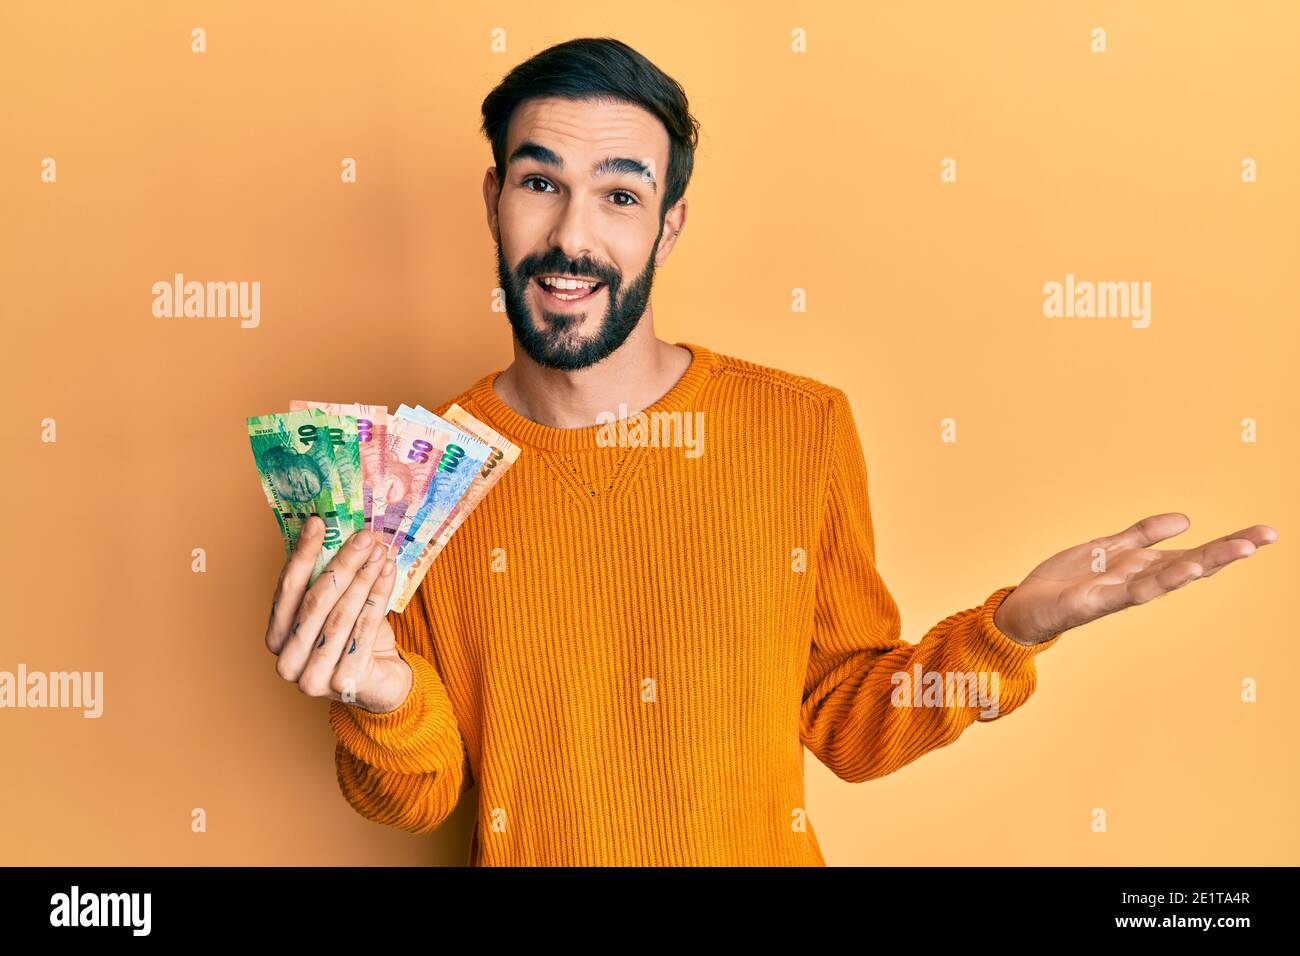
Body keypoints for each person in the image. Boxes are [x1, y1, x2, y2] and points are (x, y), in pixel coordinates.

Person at [263, 37, 1278, 866]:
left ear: (668, 224)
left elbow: (846, 719)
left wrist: (1003, 635)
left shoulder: (799, 429)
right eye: (541, 182)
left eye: (620, 194)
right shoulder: (408, 471)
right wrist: (383, 695)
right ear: (495, 199)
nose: (573, 235)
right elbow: (418, 794)